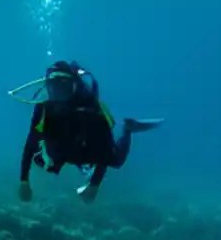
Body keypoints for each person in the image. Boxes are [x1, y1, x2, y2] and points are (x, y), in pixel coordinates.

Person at [17, 60, 163, 204]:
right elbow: (31, 142)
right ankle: (81, 166)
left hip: (86, 146)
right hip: (62, 146)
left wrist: (94, 185)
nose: (58, 92)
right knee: (44, 160)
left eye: (63, 86)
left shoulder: (90, 108)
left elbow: (104, 149)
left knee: (116, 160)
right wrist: (24, 180)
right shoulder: (43, 108)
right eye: (53, 86)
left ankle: (128, 129)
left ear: (73, 85)